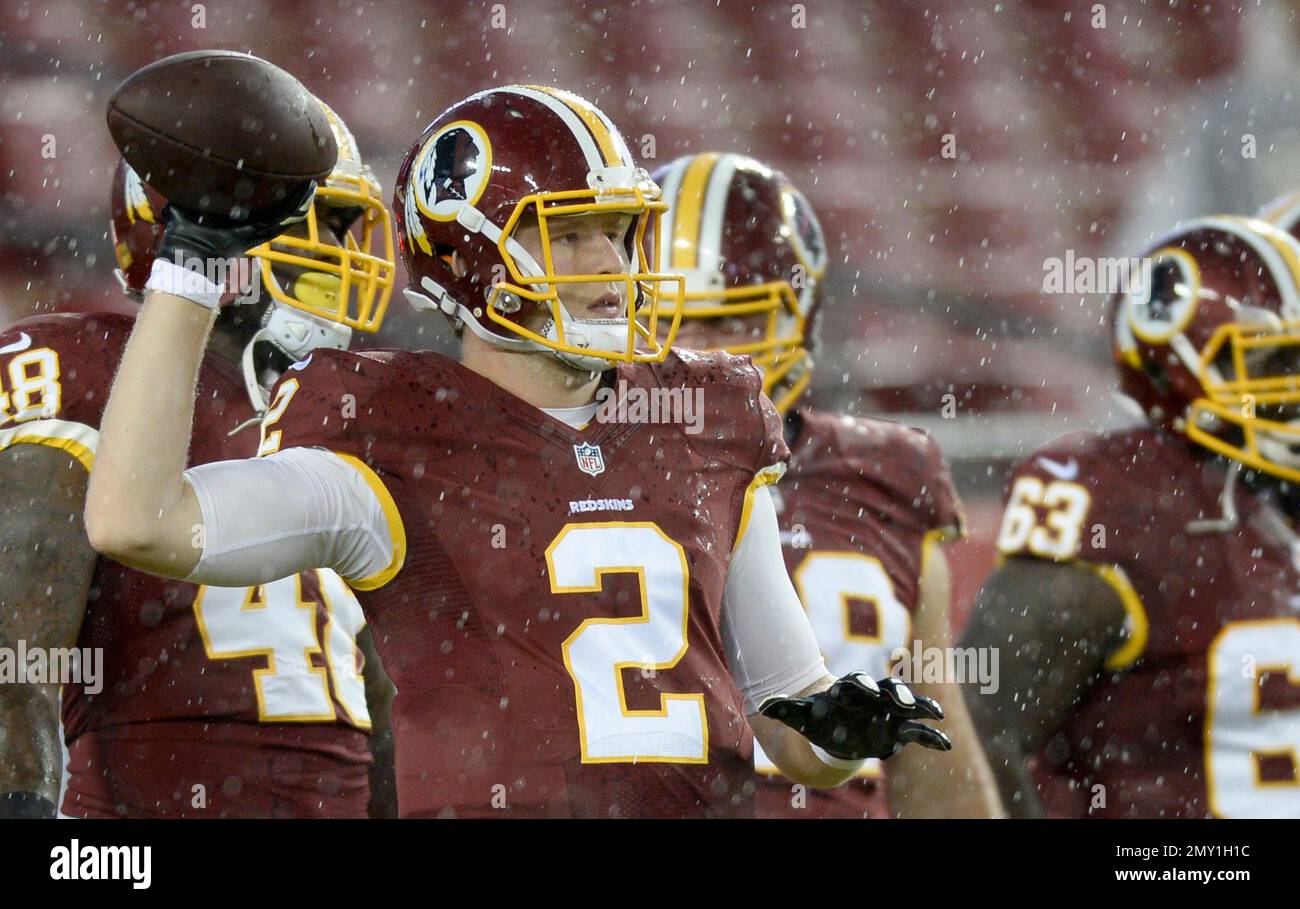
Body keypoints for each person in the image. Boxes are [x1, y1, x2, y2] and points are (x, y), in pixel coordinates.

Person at [84, 85, 950, 818]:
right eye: (569, 233)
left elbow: (787, 721)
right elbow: (139, 521)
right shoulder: (391, 430)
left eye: (618, 232)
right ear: (468, 253)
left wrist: (838, 738)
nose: (608, 264)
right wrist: (189, 274)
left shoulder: (708, 417)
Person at [0, 100, 399, 818]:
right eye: (320, 227)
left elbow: (377, 693)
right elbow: (14, 640)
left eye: (346, 229)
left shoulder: (336, 411)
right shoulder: (91, 373)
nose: (342, 258)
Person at [654, 151, 1000, 818]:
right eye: (671, 317)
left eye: (733, 321)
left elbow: (932, 739)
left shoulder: (887, 475)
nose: (697, 351)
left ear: (802, 320)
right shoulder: (581, 464)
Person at [961, 215, 1300, 818]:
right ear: (1175, 369)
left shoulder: (1272, 504)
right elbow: (977, 727)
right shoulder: (1123, 504)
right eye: (1274, 366)